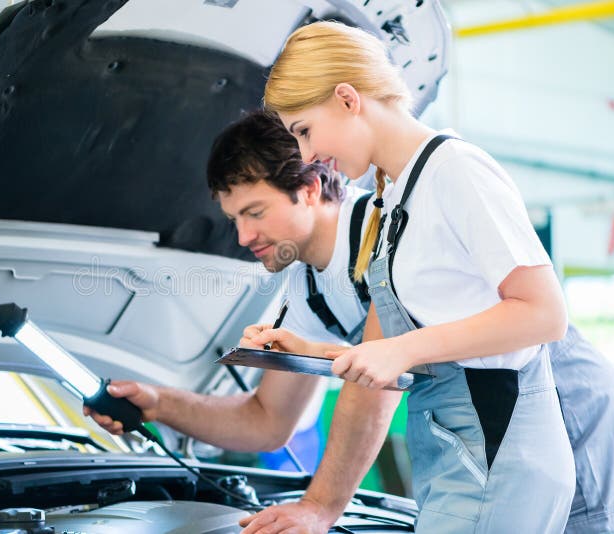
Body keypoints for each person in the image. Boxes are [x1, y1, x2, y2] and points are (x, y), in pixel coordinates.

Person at [246, 20, 598, 533]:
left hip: (497, 457)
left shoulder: (455, 170)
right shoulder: (392, 199)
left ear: (347, 99)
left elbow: (545, 314)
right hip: (455, 456)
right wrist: (313, 352)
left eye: (303, 129)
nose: (305, 155)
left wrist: (401, 350)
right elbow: (428, 342)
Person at [86, 111, 402, 532]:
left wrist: (319, 508)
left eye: (255, 212)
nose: (243, 237)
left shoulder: (386, 235)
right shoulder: (306, 289)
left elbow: (376, 385)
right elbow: (267, 421)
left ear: (308, 189)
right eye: (235, 219)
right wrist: (159, 403)